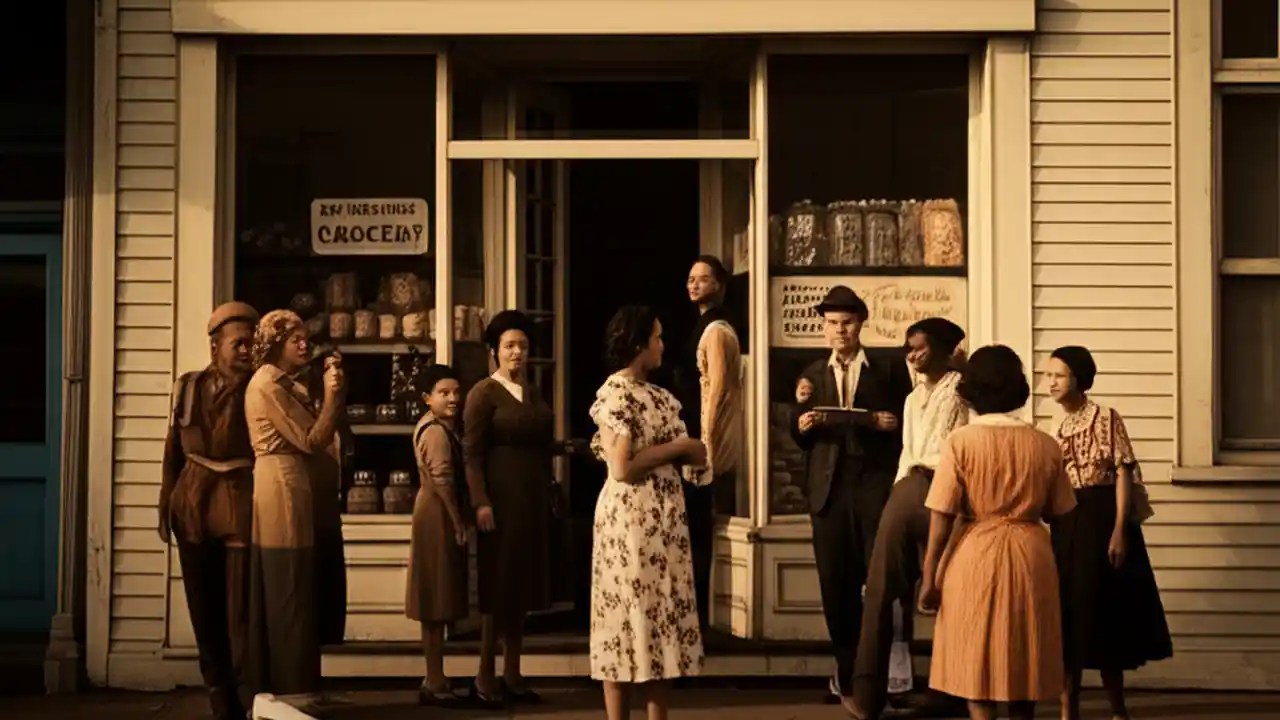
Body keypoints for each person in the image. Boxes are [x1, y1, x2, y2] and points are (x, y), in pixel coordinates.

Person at [917, 345, 1077, 720]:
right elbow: (1062, 515)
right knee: (1025, 662)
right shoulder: (1045, 445)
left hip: (974, 554)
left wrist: (929, 576)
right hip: (1032, 555)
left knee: (976, 666)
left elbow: (941, 516)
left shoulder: (960, 443)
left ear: (972, 389)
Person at [790, 285, 912, 711]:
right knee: (835, 585)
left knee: (880, 583)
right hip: (829, 492)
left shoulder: (887, 369)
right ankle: (846, 674)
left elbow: (907, 423)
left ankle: (884, 678)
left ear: (861, 324)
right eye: (831, 324)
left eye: (846, 323)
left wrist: (888, 424)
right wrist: (802, 424)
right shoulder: (812, 372)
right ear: (823, 328)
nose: (839, 330)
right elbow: (799, 436)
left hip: (873, 486)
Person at [589, 305, 709, 720]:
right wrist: (677, 448)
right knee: (624, 618)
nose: (662, 345)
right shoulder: (616, 393)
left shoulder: (659, 396)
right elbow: (622, 467)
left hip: (664, 518)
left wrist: (687, 451)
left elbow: (697, 453)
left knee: (660, 621)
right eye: (656, 337)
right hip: (631, 521)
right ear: (639, 344)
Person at [845, 317, 969, 720]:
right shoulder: (913, 398)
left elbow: (962, 447)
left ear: (943, 350)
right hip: (912, 486)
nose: (911, 355)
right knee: (880, 587)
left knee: (949, 588)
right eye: (907, 348)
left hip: (948, 491)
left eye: (920, 348)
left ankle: (952, 690)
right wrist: (899, 494)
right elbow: (907, 452)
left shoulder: (962, 391)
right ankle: (867, 695)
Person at [1046, 346, 1172, 720]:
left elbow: (1122, 471)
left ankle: (1117, 708)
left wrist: (1119, 530)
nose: (1051, 382)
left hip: (1102, 516)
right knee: (1069, 611)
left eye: (1059, 375)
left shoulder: (1105, 417)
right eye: (1049, 375)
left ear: (1079, 378)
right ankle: (1068, 708)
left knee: (1107, 610)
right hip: (1068, 521)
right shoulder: (1056, 428)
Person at [243, 309, 348, 716]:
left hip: (295, 484)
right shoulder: (267, 385)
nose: (304, 345)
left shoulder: (286, 383)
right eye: (294, 340)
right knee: (288, 579)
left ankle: (300, 679)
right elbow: (310, 438)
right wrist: (334, 398)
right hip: (281, 484)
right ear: (275, 345)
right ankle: (289, 683)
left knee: (300, 579)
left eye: (306, 337)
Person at [159, 302, 259, 720]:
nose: (246, 351)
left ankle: (245, 692)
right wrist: (165, 503)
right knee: (202, 605)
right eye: (239, 343)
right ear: (215, 346)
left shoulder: (261, 388)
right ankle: (217, 690)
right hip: (193, 506)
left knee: (240, 608)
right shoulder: (188, 387)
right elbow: (173, 449)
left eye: (252, 343)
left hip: (240, 501)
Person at [463, 309, 558, 706]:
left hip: (530, 498)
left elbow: (543, 443)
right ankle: (484, 675)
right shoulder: (483, 393)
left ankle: (513, 673)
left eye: (522, 346)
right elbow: (471, 454)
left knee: (522, 586)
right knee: (497, 586)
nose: (517, 353)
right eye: (509, 346)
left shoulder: (532, 392)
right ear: (494, 351)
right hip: (499, 500)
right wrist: (481, 502)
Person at [674, 255, 743, 629]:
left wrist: (706, 444)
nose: (694, 284)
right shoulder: (704, 326)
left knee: (701, 529)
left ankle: (703, 615)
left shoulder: (716, 330)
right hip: (696, 434)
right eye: (690, 278)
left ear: (719, 285)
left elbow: (716, 391)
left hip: (706, 438)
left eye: (702, 278)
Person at [405, 364, 471, 707]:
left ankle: (435, 675)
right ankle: (433, 677)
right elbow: (442, 478)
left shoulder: (443, 428)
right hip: (437, 514)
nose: (453, 398)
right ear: (427, 398)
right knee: (435, 599)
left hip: (436, 510)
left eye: (456, 392)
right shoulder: (434, 432)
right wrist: (458, 522)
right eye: (444, 393)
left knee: (438, 600)